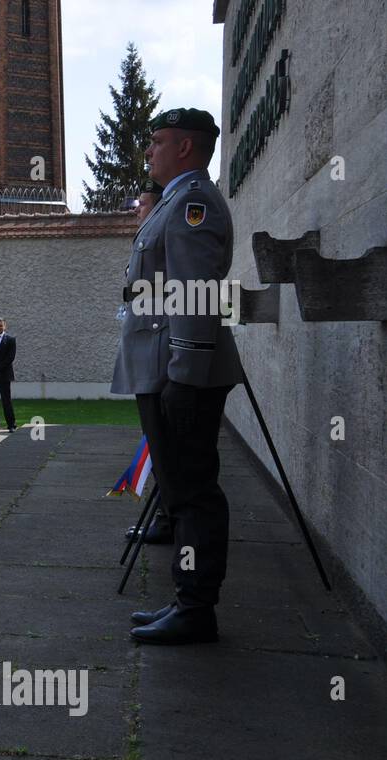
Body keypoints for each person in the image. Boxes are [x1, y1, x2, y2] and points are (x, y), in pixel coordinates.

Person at [111, 108, 243, 646]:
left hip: (179, 371)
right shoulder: (174, 200)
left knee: (191, 491)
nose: (149, 151)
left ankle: (196, 608)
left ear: (186, 148)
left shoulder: (191, 203)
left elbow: (195, 293)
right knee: (179, 486)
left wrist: (183, 377)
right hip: (167, 368)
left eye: (158, 142)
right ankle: (186, 601)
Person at [126, 177, 172, 545]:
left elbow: (192, 289)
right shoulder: (150, 233)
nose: (136, 211)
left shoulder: (172, 224)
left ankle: (169, 519)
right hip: (151, 351)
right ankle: (166, 517)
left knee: (166, 447)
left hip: (161, 354)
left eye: (141, 205)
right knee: (158, 444)